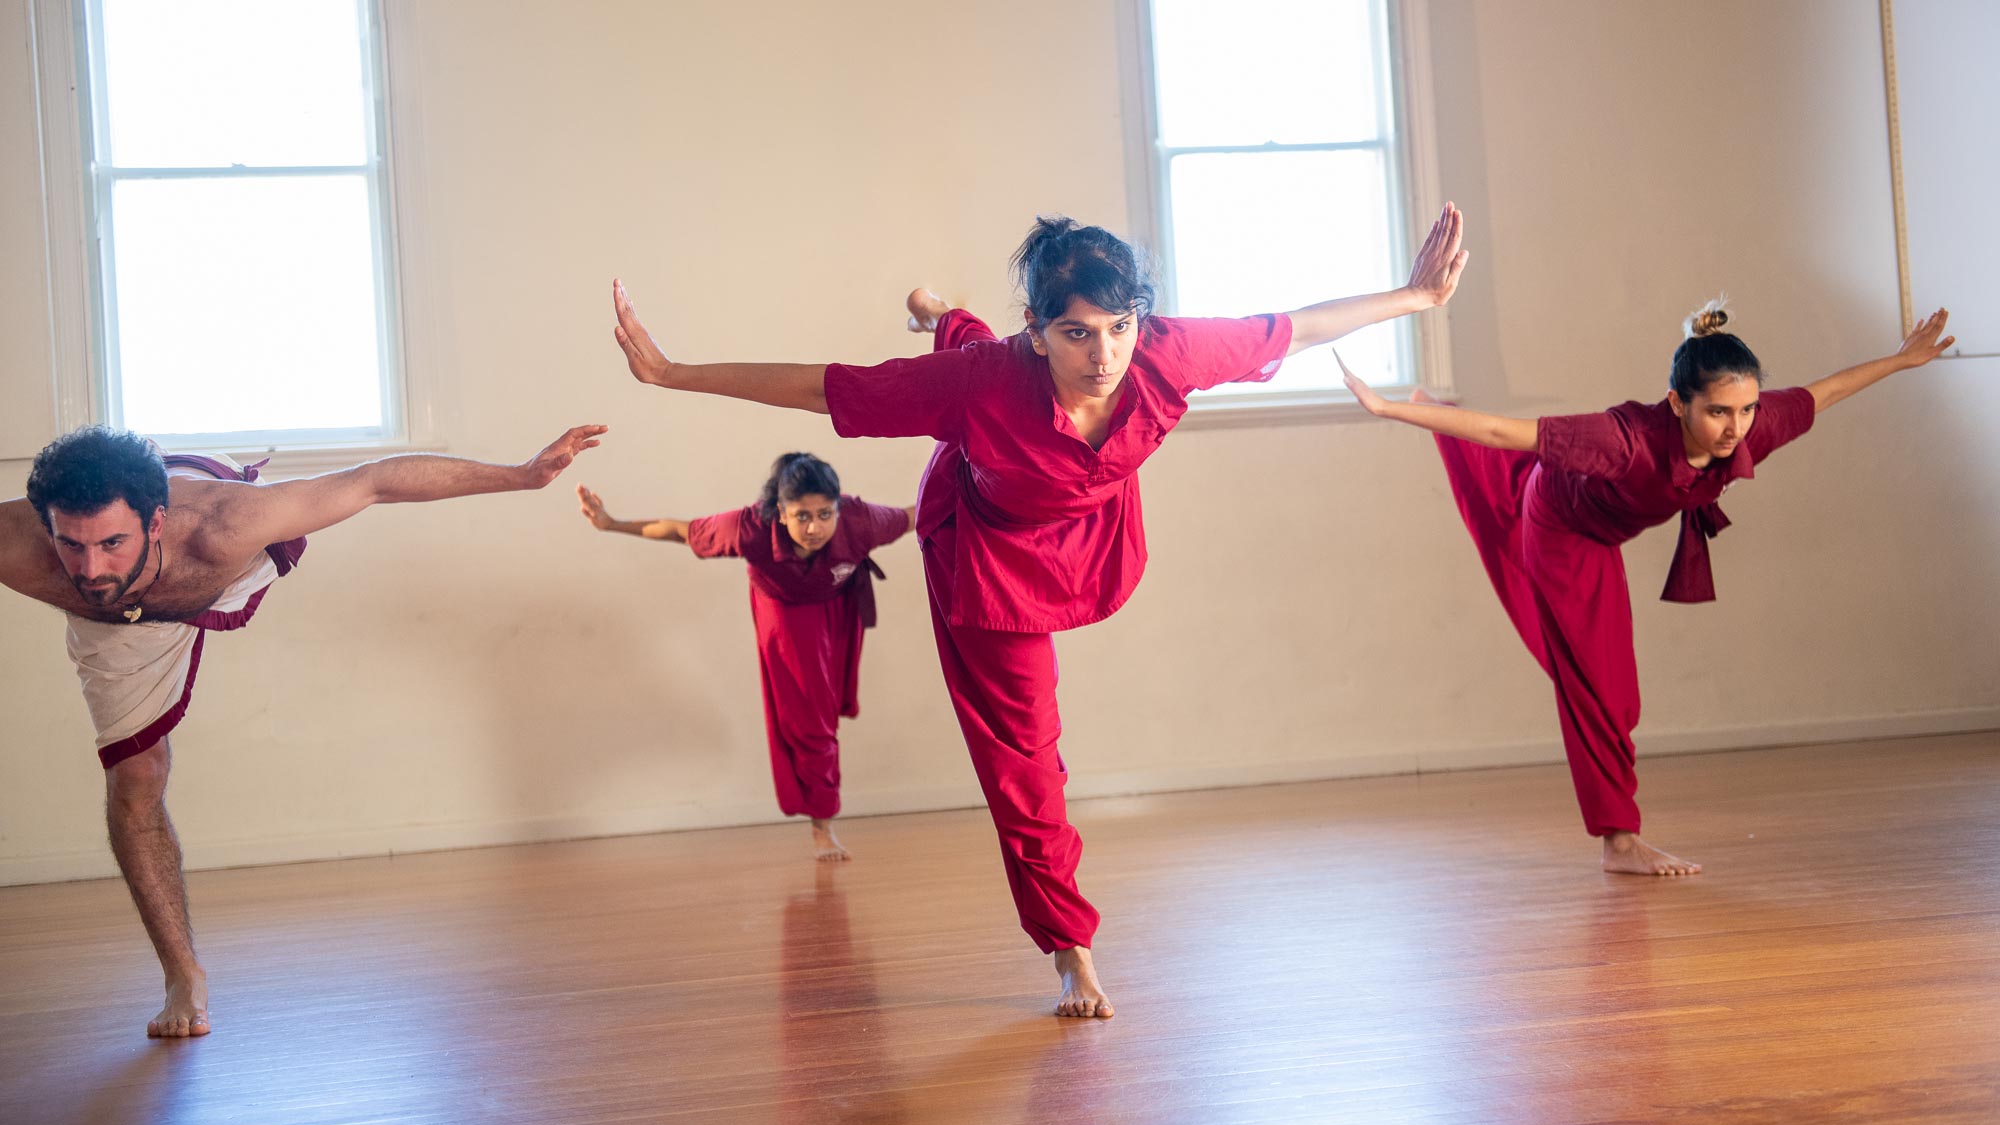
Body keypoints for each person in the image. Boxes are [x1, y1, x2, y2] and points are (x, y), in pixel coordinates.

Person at [607, 204, 1469, 1016]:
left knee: (970, 346)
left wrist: (1418, 295)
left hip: (1087, 533)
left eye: (1120, 327)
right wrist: (672, 373)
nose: (1105, 355)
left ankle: (941, 309)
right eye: (1077, 333)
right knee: (1026, 754)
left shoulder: (1167, 352)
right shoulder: (986, 382)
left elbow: (1298, 325)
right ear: (1040, 328)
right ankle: (1069, 943)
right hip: (986, 552)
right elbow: (824, 387)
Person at [2, 423, 606, 1037]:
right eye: (70, 545)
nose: (89, 567)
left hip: (205, 563)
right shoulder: (16, 544)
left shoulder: (227, 524)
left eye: (111, 543)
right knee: (136, 780)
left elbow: (376, 482)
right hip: (127, 629)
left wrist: (520, 475)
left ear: (154, 524)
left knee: (233, 533)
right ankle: (183, 975)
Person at [1335, 303, 1956, 874]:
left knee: (1609, 688)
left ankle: (1620, 837)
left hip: (1601, 524)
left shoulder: (1752, 426)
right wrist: (1389, 410)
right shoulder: (1621, 438)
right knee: (1605, 691)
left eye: (1745, 409)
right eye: (1717, 412)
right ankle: (1620, 845)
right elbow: (1505, 433)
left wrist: (1903, 359)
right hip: (1564, 529)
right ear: (1677, 403)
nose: (1735, 428)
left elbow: (1826, 392)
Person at [575, 452, 914, 859]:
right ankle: (822, 826)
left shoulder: (862, 521)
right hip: (785, 612)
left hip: (839, 604)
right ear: (781, 513)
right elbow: (681, 531)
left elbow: (920, 511)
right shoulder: (751, 527)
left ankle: (822, 802)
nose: (815, 527)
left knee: (832, 702)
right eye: (801, 516)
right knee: (812, 720)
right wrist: (610, 524)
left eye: (825, 514)